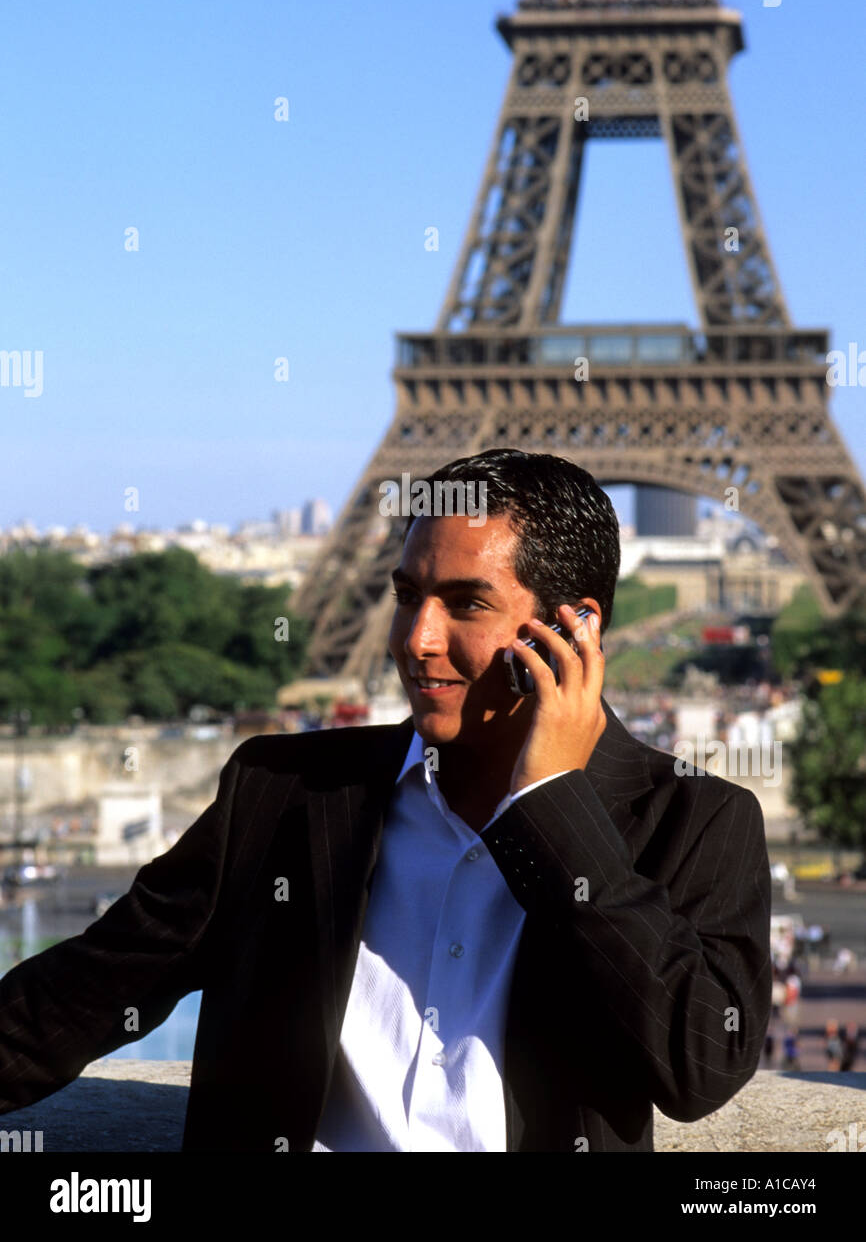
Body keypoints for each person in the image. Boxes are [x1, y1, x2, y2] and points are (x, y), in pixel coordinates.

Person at [0, 448, 772, 1152]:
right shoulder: (281, 796)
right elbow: (76, 998)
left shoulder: (696, 818)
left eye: (466, 604)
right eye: (408, 595)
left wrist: (556, 805)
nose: (415, 638)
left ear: (574, 629)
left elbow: (698, 1064)